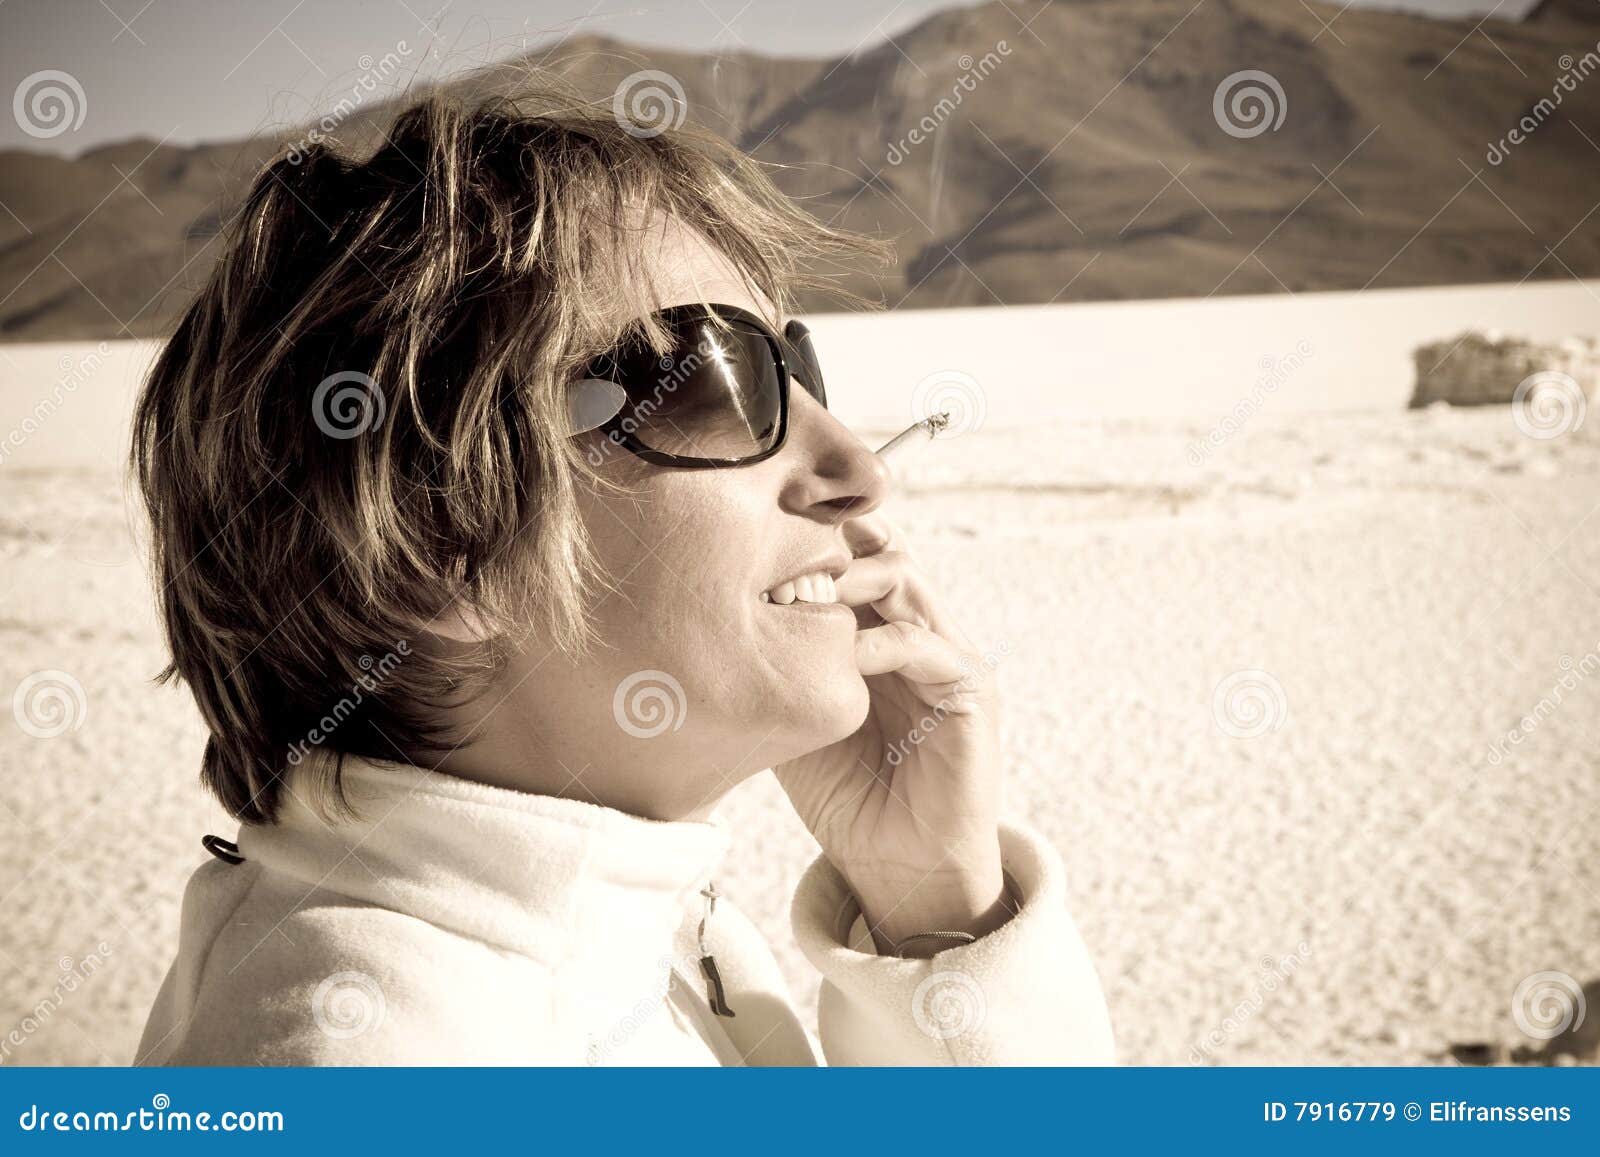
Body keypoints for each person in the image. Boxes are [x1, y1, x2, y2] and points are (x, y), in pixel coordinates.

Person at [131, 87, 1115, 1066]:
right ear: (436, 549)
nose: (859, 470)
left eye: (796, 370)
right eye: (711, 379)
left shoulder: (640, 943)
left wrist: (933, 898)